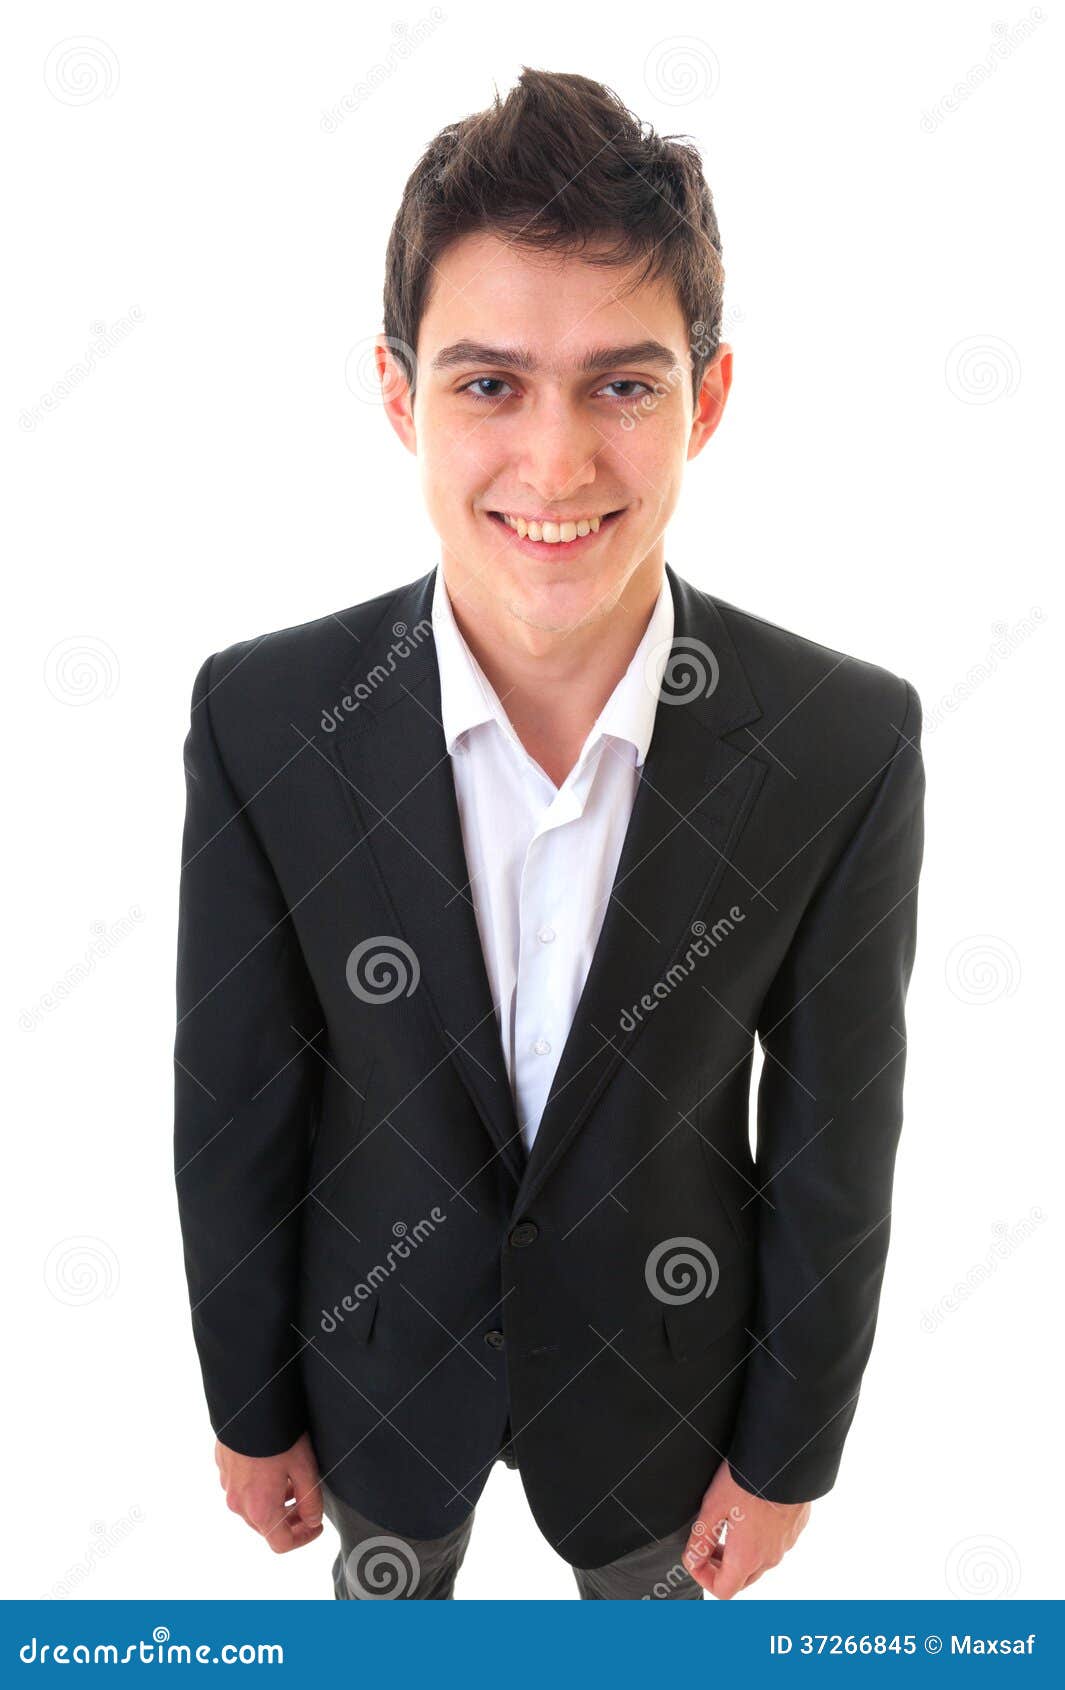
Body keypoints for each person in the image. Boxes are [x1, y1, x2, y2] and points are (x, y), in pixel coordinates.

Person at [174, 68, 925, 1600]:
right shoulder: (266, 716)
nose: (557, 461)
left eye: (623, 383)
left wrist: (792, 1452)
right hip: (375, 1379)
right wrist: (247, 1403)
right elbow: (236, 1099)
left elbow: (835, 1142)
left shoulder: (843, 740)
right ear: (400, 397)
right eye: (488, 382)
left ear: (705, 400)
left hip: (667, 1397)